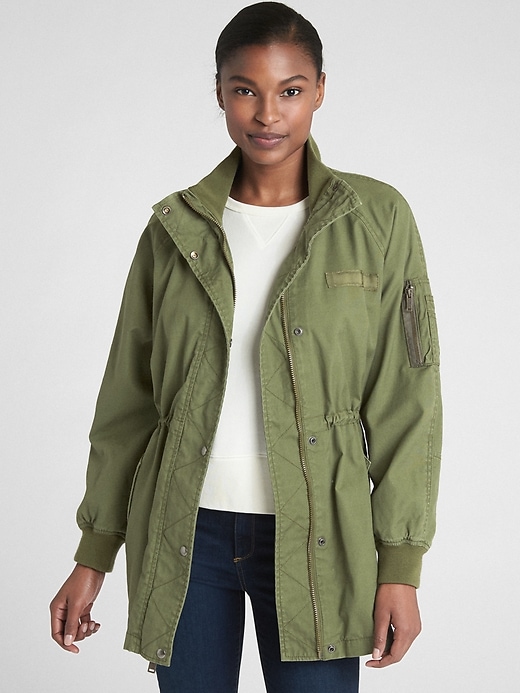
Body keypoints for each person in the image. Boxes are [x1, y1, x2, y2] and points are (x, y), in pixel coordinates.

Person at [50, 3, 442, 692]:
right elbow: (127, 404)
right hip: (186, 533)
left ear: (320, 90)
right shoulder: (175, 228)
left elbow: (407, 402)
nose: (267, 114)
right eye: (244, 90)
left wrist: (400, 566)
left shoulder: (377, 219)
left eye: (290, 90)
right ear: (219, 92)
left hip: (320, 536)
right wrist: (94, 552)